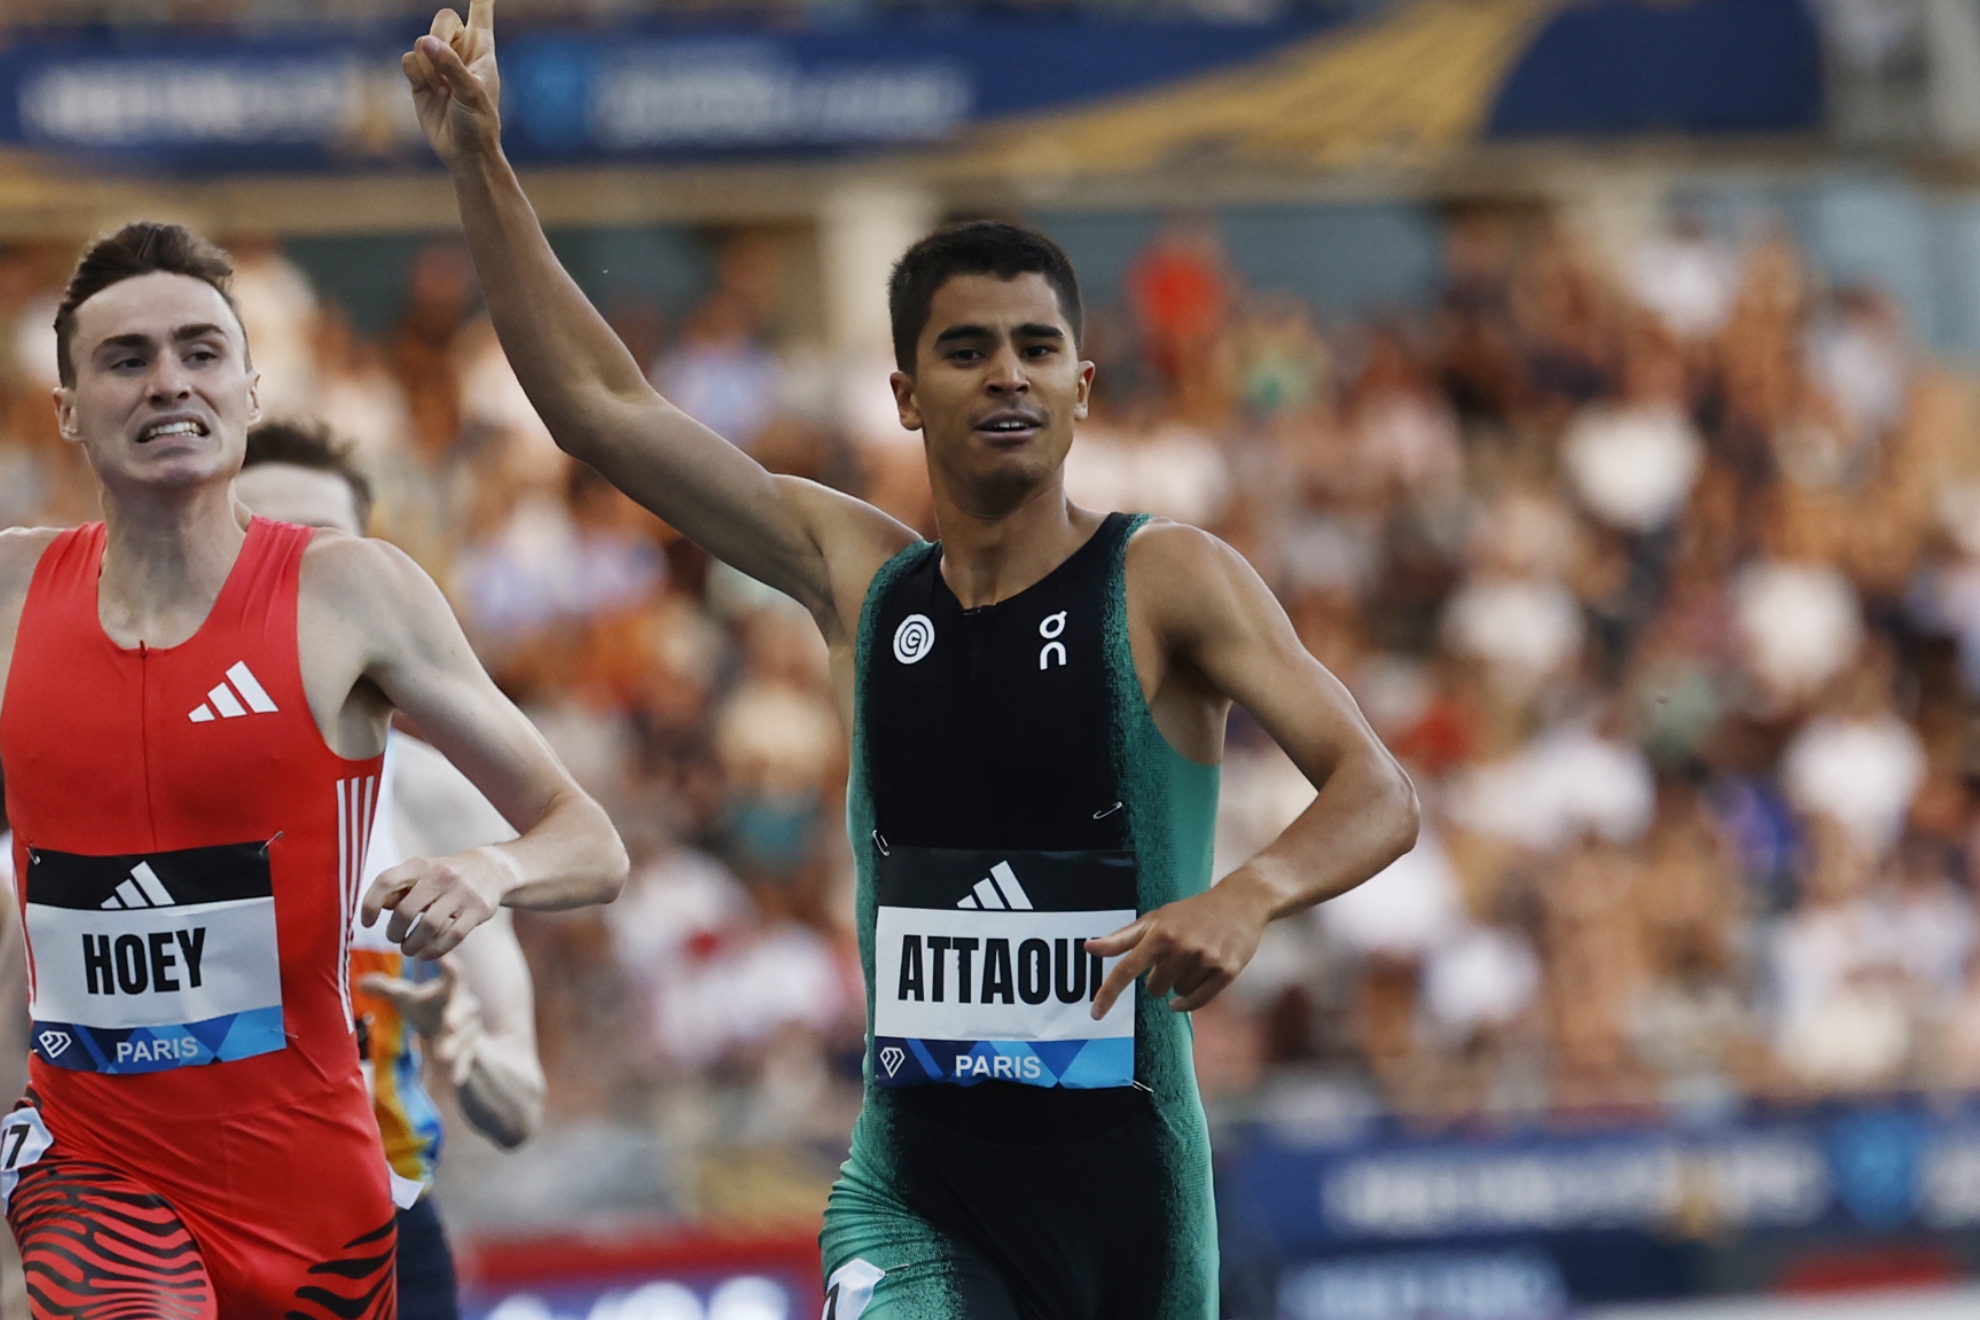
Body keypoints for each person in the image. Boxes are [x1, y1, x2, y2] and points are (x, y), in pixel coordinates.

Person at [402, 6, 1419, 1316]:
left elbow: (1377, 790)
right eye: (967, 348)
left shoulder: (1166, 580)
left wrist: (1251, 893)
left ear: (1084, 387)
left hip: (1125, 1206)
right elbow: (604, 411)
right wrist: (481, 160)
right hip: (914, 1181)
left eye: (1038, 348)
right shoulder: (861, 583)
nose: (1007, 374)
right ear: (903, 394)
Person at [0, 221, 627, 1320]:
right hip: (92, 1166)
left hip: (317, 1188)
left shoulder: (351, 594)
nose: (167, 383)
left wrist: (488, 869)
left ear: (249, 388)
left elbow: (589, 839)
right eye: (125, 359)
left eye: (200, 352)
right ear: (65, 410)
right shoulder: (9, 596)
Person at [235, 419, 546, 1320]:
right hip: (177, 1234)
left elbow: (518, 1107)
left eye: (326, 550)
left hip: (383, 1230)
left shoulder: (433, 801)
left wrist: (464, 1045)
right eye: (265, 545)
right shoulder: (122, 774)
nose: (299, 579)